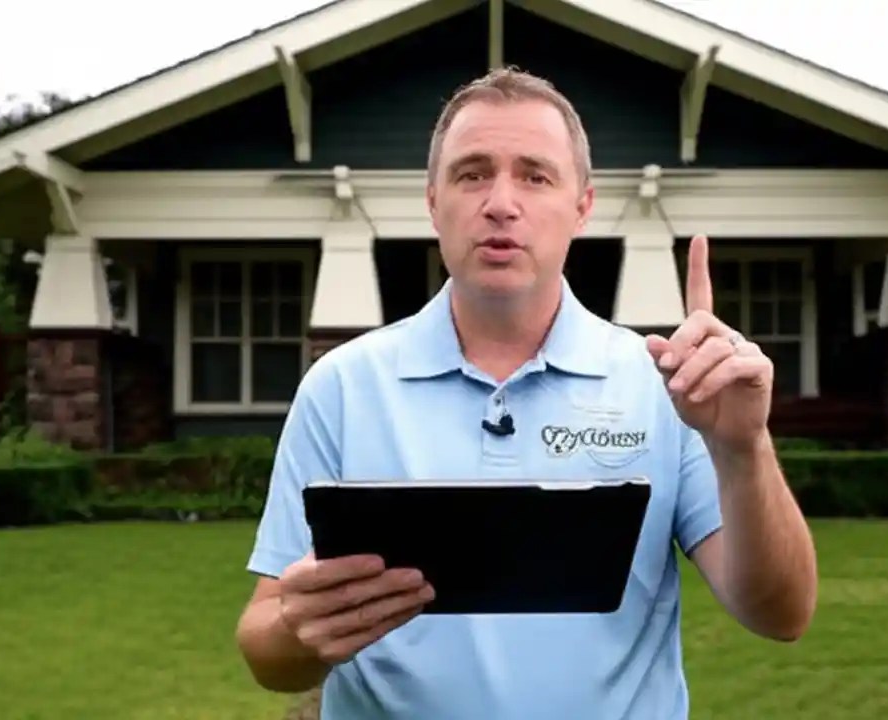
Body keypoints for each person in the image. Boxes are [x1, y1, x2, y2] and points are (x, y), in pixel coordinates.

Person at [235, 67, 818, 719]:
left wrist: (743, 447)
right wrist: (301, 631)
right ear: (433, 201)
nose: (501, 203)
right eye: (472, 173)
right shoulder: (343, 387)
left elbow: (782, 614)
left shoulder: (667, 386)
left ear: (583, 206)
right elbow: (265, 646)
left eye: (535, 175)